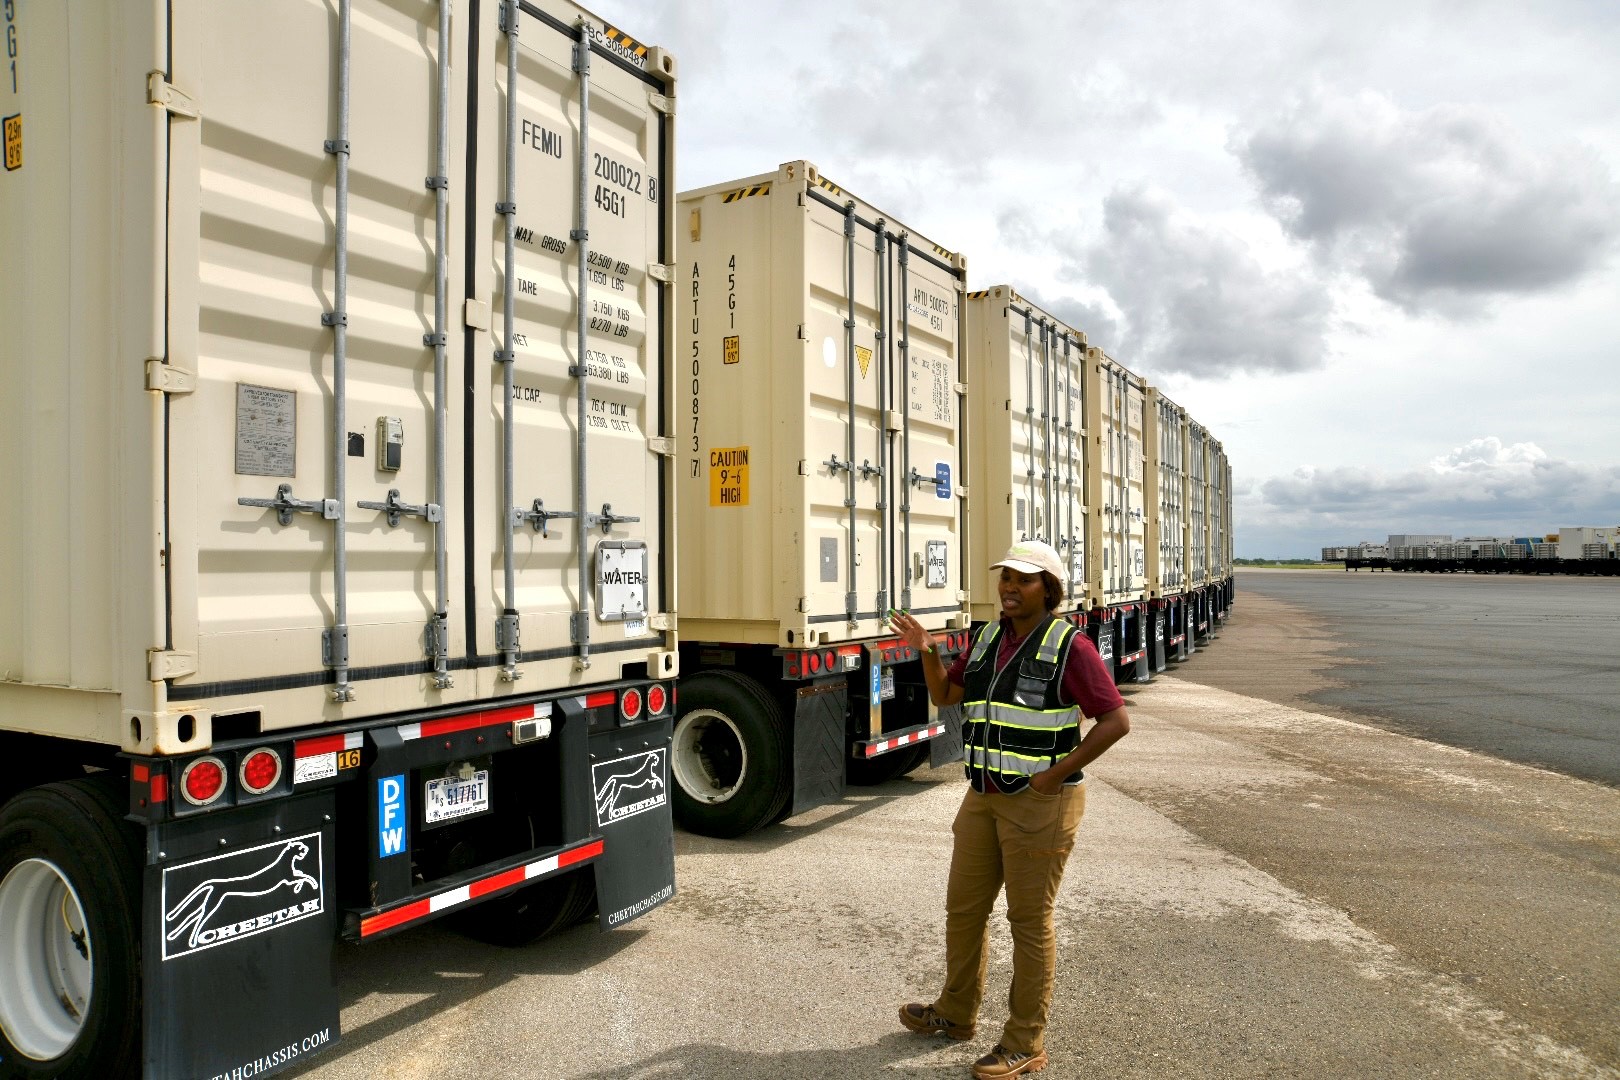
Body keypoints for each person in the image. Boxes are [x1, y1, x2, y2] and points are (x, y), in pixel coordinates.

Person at [891, 540, 1131, 1079]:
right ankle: (956, 1014)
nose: (1008, 588)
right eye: (1005, 577)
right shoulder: (986, 640)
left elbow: (1115, 721)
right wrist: (928, 649)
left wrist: (1051, 776)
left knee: (1028, 922)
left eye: (1023, 580)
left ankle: (1025, 1042)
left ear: (1048, 589)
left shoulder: (1070, 647)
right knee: (964, 910)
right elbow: (946, 698)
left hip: (1041, 803)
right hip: (983, 798)